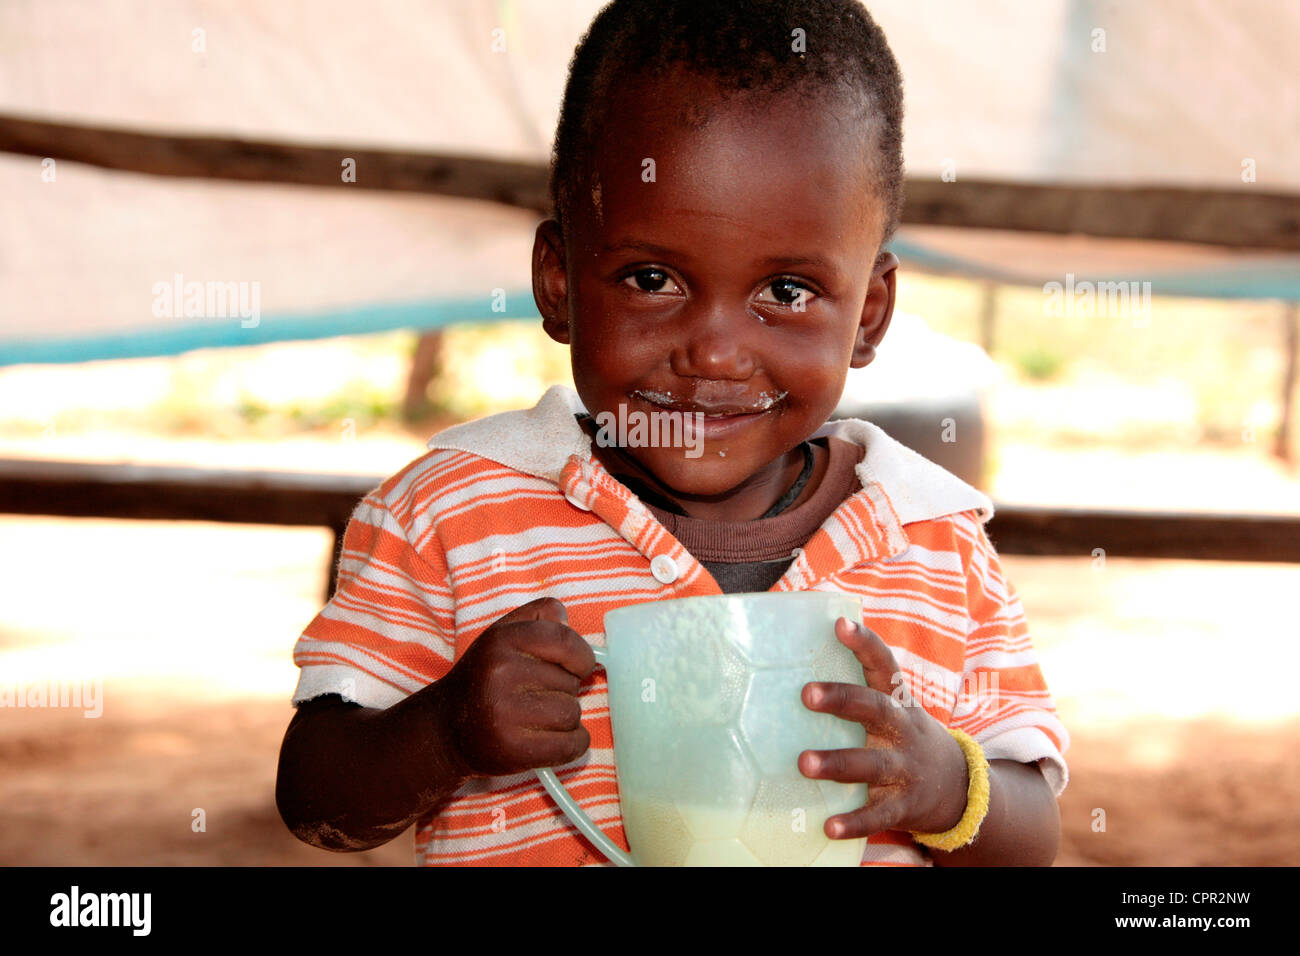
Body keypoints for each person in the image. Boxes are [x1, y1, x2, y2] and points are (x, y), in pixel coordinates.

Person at [275, 0, 1068, 866]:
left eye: (790, 293)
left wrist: (945, 785)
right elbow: (318, 797)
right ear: (560, 283)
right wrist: (444, 732)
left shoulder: (934, 542)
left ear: (870, 313)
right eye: (652, 278)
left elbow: (1031, 837)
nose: (717, 353)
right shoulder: (453, 514)